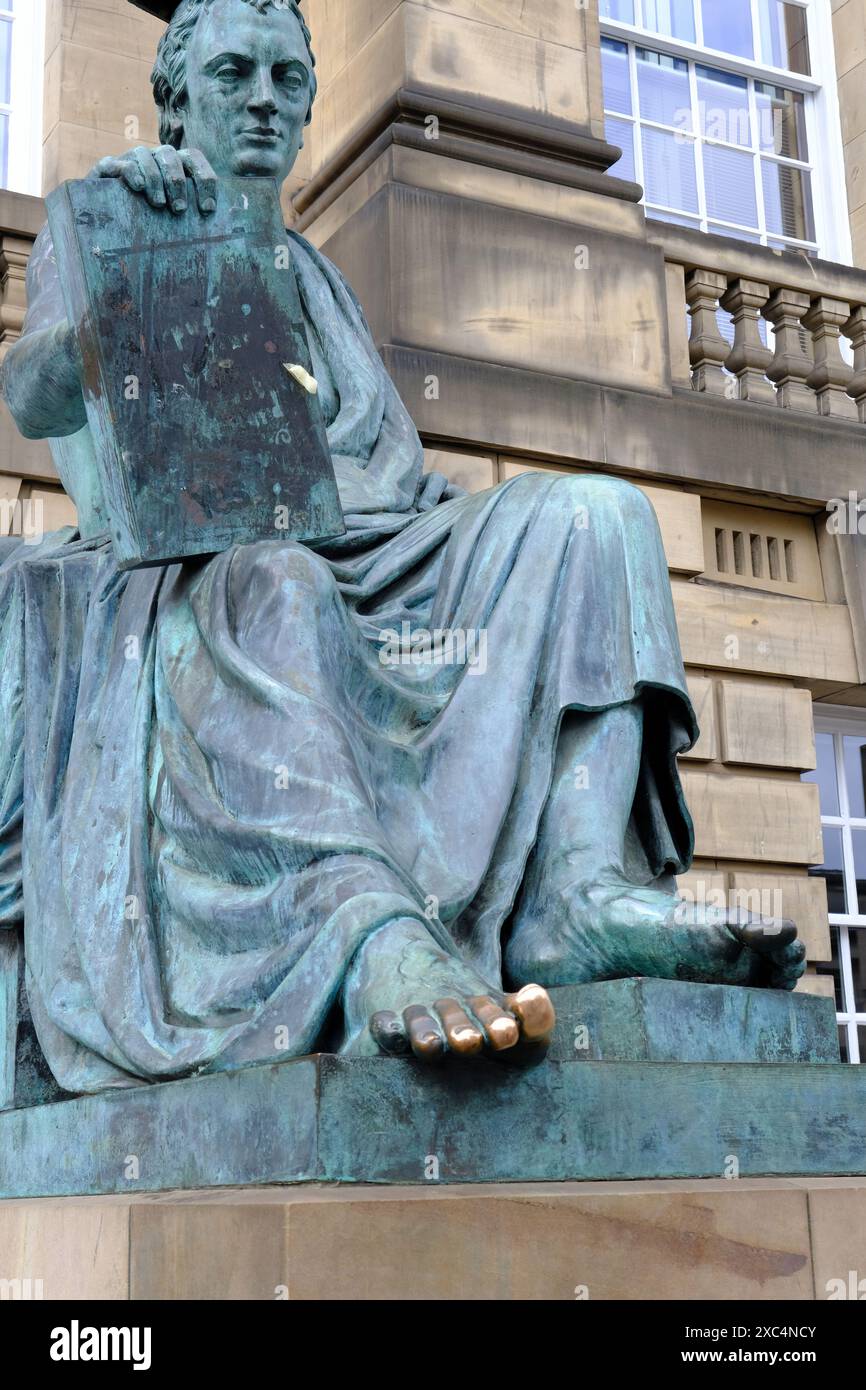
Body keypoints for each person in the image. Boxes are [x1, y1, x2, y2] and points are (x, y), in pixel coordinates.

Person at [0, 0, 805, 1095]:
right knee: (273, 584)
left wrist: (465, 539)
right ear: (175, 97)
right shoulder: (100, 214)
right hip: (208, 563)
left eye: (288, 80)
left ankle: (574, 890)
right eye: (234, 72)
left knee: (595, 514)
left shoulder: (316, 271)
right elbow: (35, 394)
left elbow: (393, 476)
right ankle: (367, 928)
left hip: (384, 545)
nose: (263, 99)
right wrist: (117, 315)